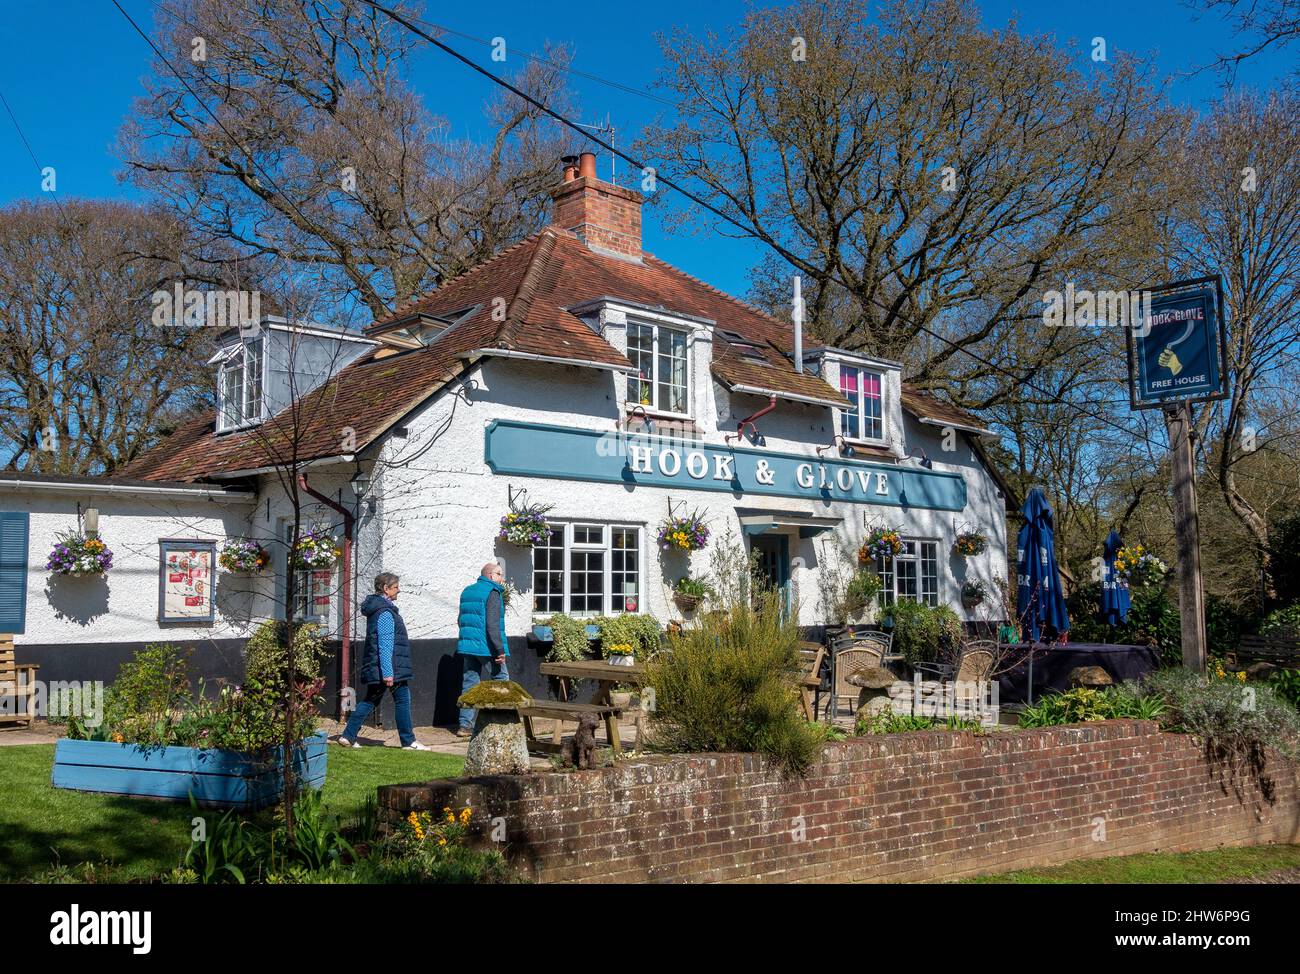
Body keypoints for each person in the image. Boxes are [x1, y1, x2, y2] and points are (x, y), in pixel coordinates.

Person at [335, 572, 431, 750]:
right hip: (390, 668)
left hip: (386, 666)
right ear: (386, 589)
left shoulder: (381, 610)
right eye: (396, 587)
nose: (399, 590)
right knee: (401, 701)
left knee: (370, 700)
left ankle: (348, 736)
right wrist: (388, 673)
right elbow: (385, 645)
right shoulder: (385, 613)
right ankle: (408, 741)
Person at [456, 562, 510, 737]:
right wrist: (499, 650)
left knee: (470, 684)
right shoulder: (492, 592)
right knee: (501, 679)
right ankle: (501, 721)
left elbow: (461, 620)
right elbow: (492, 625)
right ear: (490, 575)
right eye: (499, 574)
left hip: (468, 646)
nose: (502, 578)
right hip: (487, 647)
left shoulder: (467, 591)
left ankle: (465, 726)